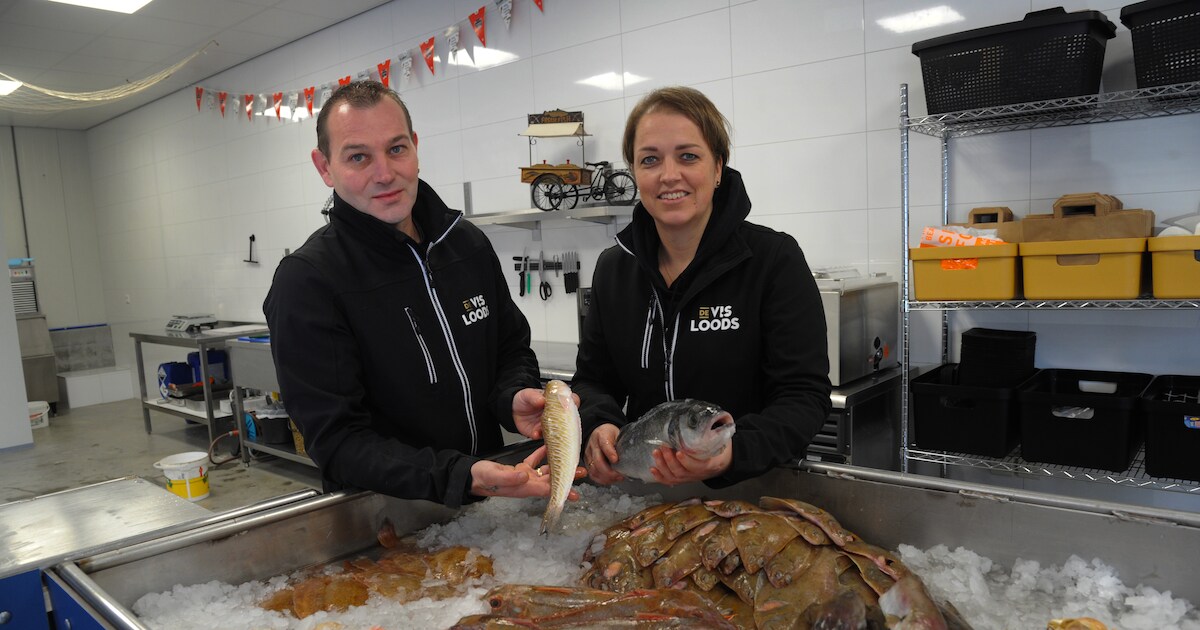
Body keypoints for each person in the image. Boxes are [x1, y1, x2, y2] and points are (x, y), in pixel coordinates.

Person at [264, 81, 581, 508]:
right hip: (386, 518)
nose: (384, 173)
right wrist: (456, 475)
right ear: (324, 167)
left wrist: (513, 396)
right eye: (359, 156)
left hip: (487, 501)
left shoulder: (465, 243)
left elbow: (510, 348)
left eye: (396, 149)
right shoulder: (308, 282)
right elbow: (336, 441)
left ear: (414, 146)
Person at [575, 86, 832, 487]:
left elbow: (803, 394)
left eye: (688, 156)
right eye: (650, 160)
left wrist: (734, 453)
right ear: (635, 173)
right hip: (646, 493)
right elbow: (593, 381)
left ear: (718, 168)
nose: (669, 175)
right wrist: (598, 425)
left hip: (751, 487)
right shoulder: (614, 268)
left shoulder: (773, 259)